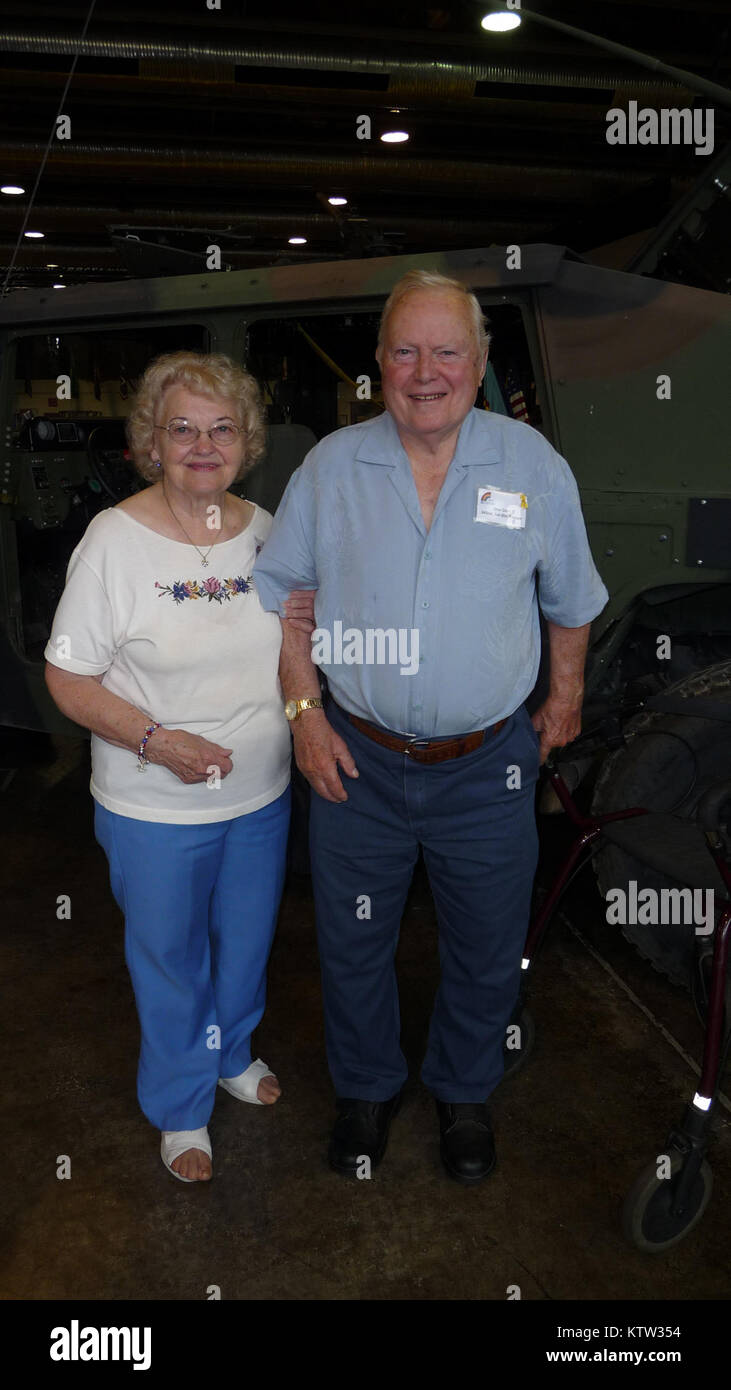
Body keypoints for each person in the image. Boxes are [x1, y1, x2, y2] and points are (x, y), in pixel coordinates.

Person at [254, 270, 609, 1184]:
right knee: (353, 939)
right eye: (404, 351)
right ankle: (366, 1089)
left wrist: (562, 697)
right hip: (357, 763)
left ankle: (462, 1090)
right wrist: (303, 714)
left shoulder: (532, 466)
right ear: (379, 363)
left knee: (488, 941)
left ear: (480, 361)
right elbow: (290, 606)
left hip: (485, 763)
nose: (425, 372)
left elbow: (569, 604)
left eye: (446, 351)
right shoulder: (332, 468)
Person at [45, 351, 313, 1183]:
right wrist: (155, 739)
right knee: (168, 958)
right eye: (183, 429)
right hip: (152, 804)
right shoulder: (112, 544)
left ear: (247, 441)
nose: (204, 445)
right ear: (152, 443)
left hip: (260, 793)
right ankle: (180, 1105)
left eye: (222, 429)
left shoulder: (264, 529)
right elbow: (66, 677)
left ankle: (232, 1053)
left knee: (244, 942)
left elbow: (291, 644)